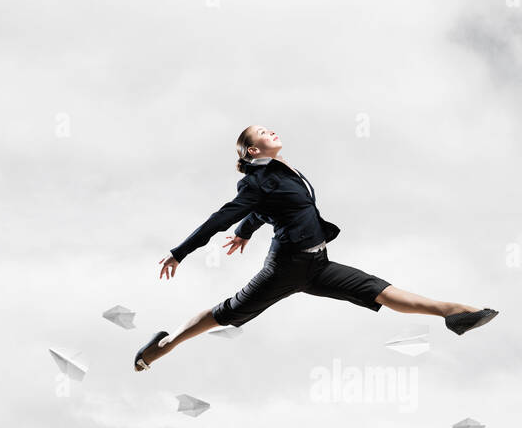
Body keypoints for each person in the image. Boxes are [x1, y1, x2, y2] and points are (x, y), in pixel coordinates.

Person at [133, 124, 498, 371]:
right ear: (252, 149)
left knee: (380, 291)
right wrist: (179, 252)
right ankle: (163, 346)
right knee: (227, 313)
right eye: (262, 132)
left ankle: (457, 313)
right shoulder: (257, 181)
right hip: (285, 267)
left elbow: (271, 209)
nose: (270, 130)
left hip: (318, 264)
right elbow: (219, 219)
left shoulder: (277, 171)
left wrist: (246, 230)